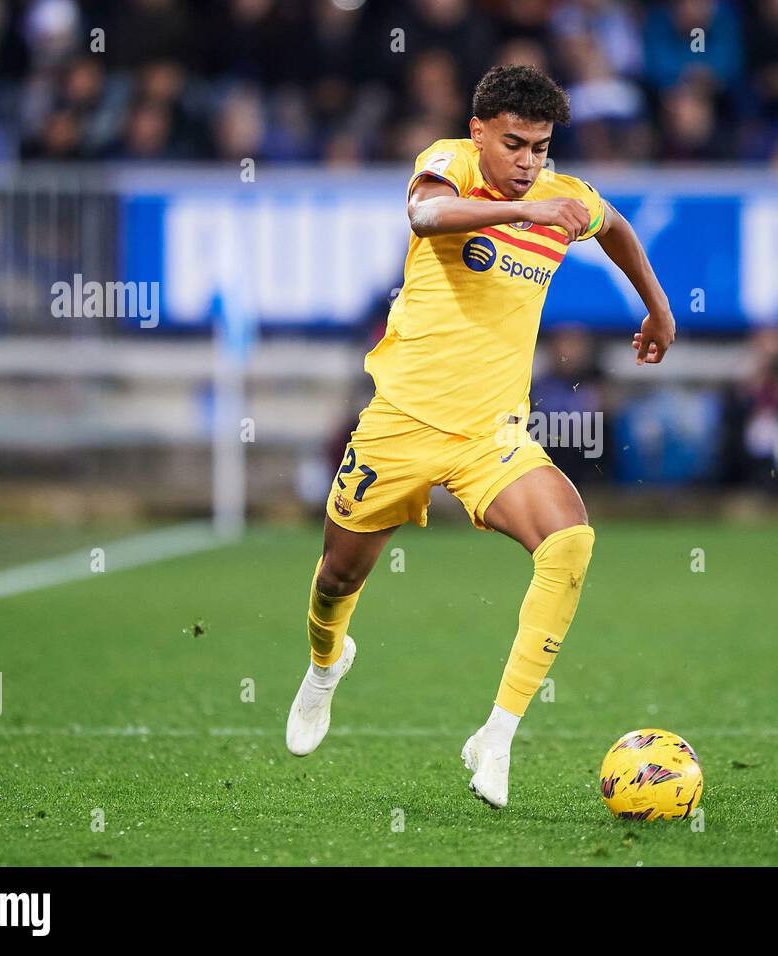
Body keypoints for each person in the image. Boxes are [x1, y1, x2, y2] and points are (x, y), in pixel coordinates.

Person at [285, 64, 676, 809]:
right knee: (338, 575)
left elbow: (616, 227)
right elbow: (427, 218)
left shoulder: (563, 196)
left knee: (569, 540)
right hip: (400, 423)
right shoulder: (448, 165)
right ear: (479, 134)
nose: (530, 162)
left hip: (489, 434)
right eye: (515, 144)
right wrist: (522, 217)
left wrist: (656, 308)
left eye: (542, 147)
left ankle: (495, 736)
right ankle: (325, 666)